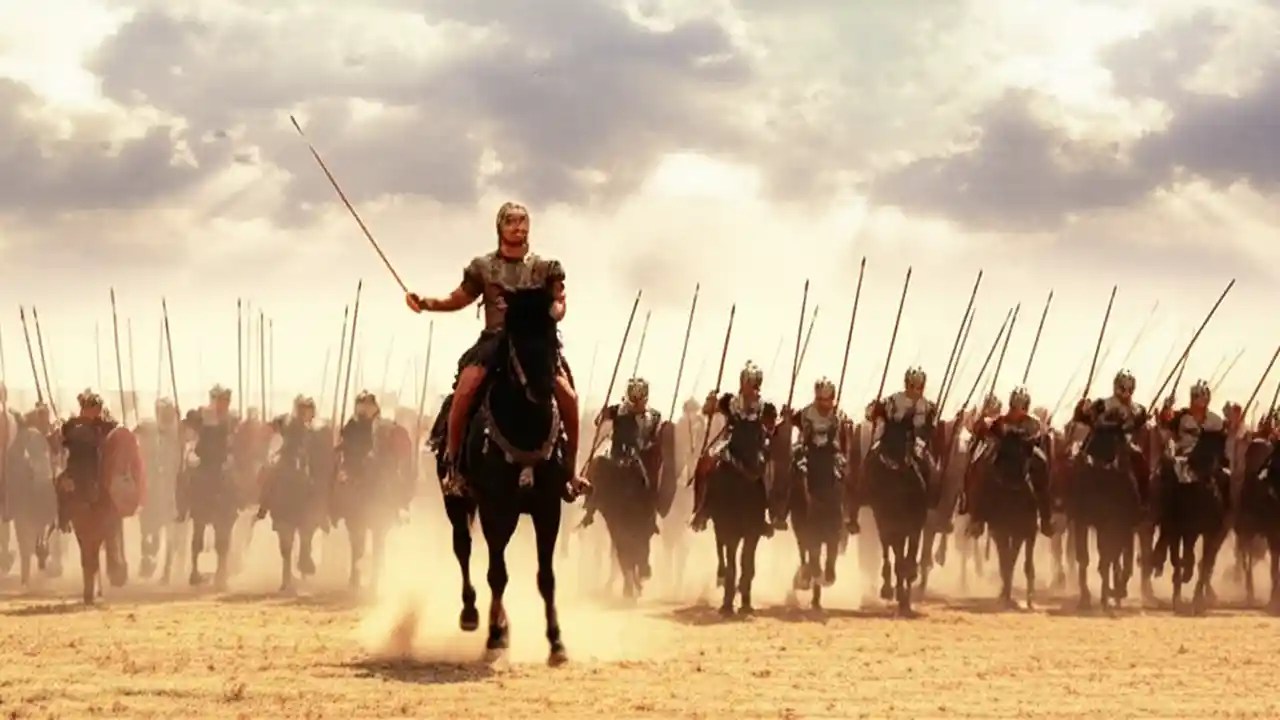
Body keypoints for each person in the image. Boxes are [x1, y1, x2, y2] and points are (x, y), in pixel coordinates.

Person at [405, 202, 581, 495]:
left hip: (535, 343)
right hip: (495, 340)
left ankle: (570, 474)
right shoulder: (484, 268)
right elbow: (458, 298)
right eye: (511, 221)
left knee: (568, 396)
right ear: (500, 227)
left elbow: (560, 300)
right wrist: (426, 303)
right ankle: (455, 466)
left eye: (523, 221)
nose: (518, 227)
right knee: (466, 387)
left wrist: (555, 310)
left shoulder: (544, 268)